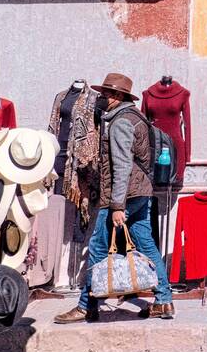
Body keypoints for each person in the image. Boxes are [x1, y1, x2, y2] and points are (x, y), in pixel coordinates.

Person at [55, 73, 174, 323]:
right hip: (142, 191)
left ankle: (87, 305)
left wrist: (117, 206)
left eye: (107, 93)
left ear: (118, 97)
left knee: (98, 247)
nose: (101, 97)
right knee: (146, 244)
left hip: (123, 196)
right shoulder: (137, 117)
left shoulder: (120, 123)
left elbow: (121, 167)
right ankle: (164, 301)